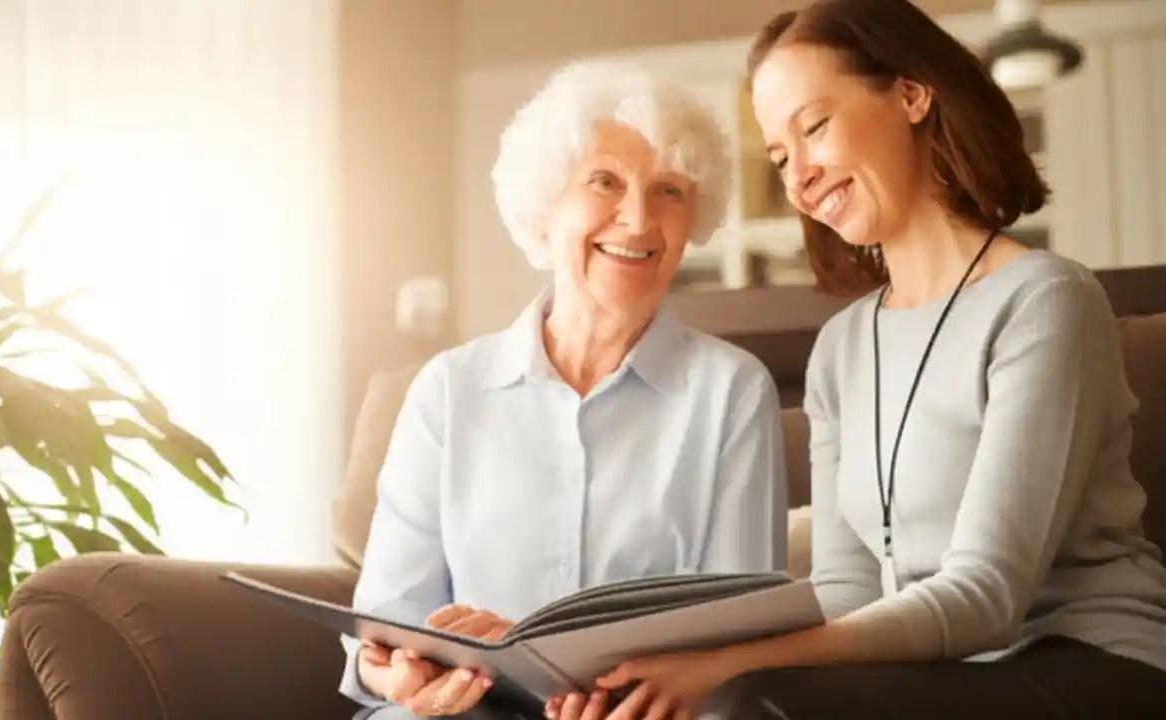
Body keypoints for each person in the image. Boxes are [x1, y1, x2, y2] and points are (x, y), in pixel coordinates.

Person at [545, 1, 1166, 719]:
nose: (800, 175)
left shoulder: (1044, 300)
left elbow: (987, 596)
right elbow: (846, 589)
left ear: (911, 93)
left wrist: (726, 664)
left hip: (1093, 662)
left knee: (746, 699)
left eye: (814, 128)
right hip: (949, 669)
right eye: (779, 157)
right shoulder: (841, 347)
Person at [339, 60, 789, 720]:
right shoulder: (448, 390)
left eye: (668, 191)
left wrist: (568, 670)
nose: (638, 219)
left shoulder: (732, 393)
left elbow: (735, 645)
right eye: (605, 182)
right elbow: (382, 630)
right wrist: (399, 677)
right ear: (545, 209)